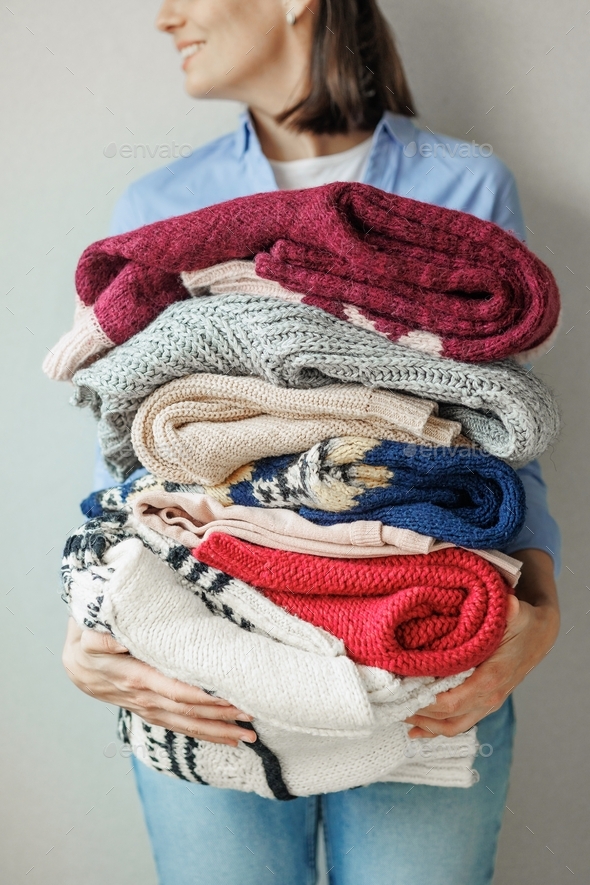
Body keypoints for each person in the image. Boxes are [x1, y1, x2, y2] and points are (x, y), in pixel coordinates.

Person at [62, 2, 561, 882]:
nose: (166, 16)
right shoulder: (159, 210)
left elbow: (497, 422)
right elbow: (134, 447)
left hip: (424, 639)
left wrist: (542, 607)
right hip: (204, 655)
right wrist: (90, 614)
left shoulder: (460, 188)